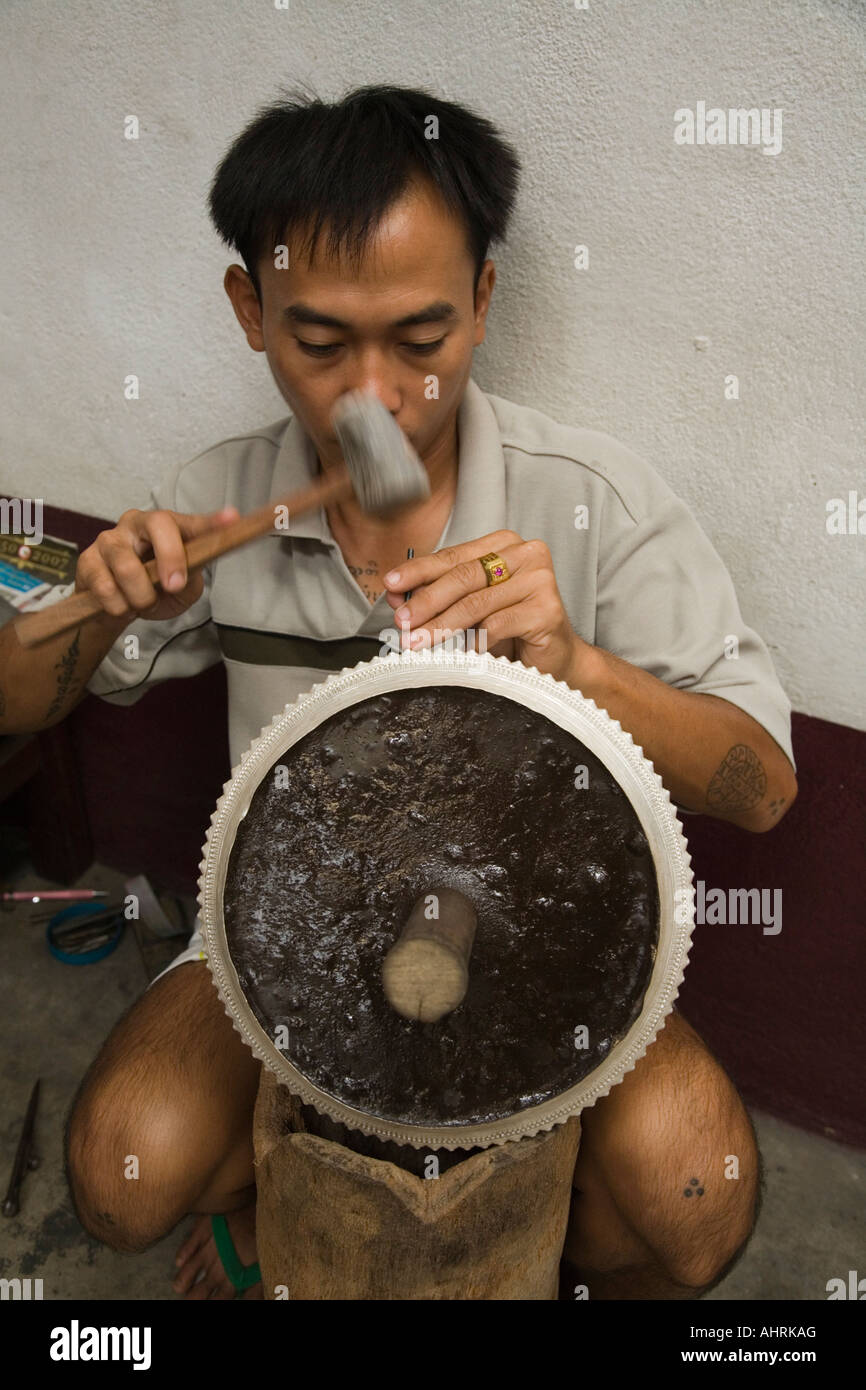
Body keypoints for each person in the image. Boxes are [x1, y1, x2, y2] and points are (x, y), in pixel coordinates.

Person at [0, 84, 797, 1300]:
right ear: (248, 310)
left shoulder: (593, 500)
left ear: (482, 303)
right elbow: (16, 703)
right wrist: (107, 598)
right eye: (318, 343)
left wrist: (578, 665)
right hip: (279, 933)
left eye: (418, 342)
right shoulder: (218, 505)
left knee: (693, 1203)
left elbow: (763, 787)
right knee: (120, 1175)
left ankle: (514, 1251)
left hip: (539, 941)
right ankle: (287, 1214)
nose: (370, 396)